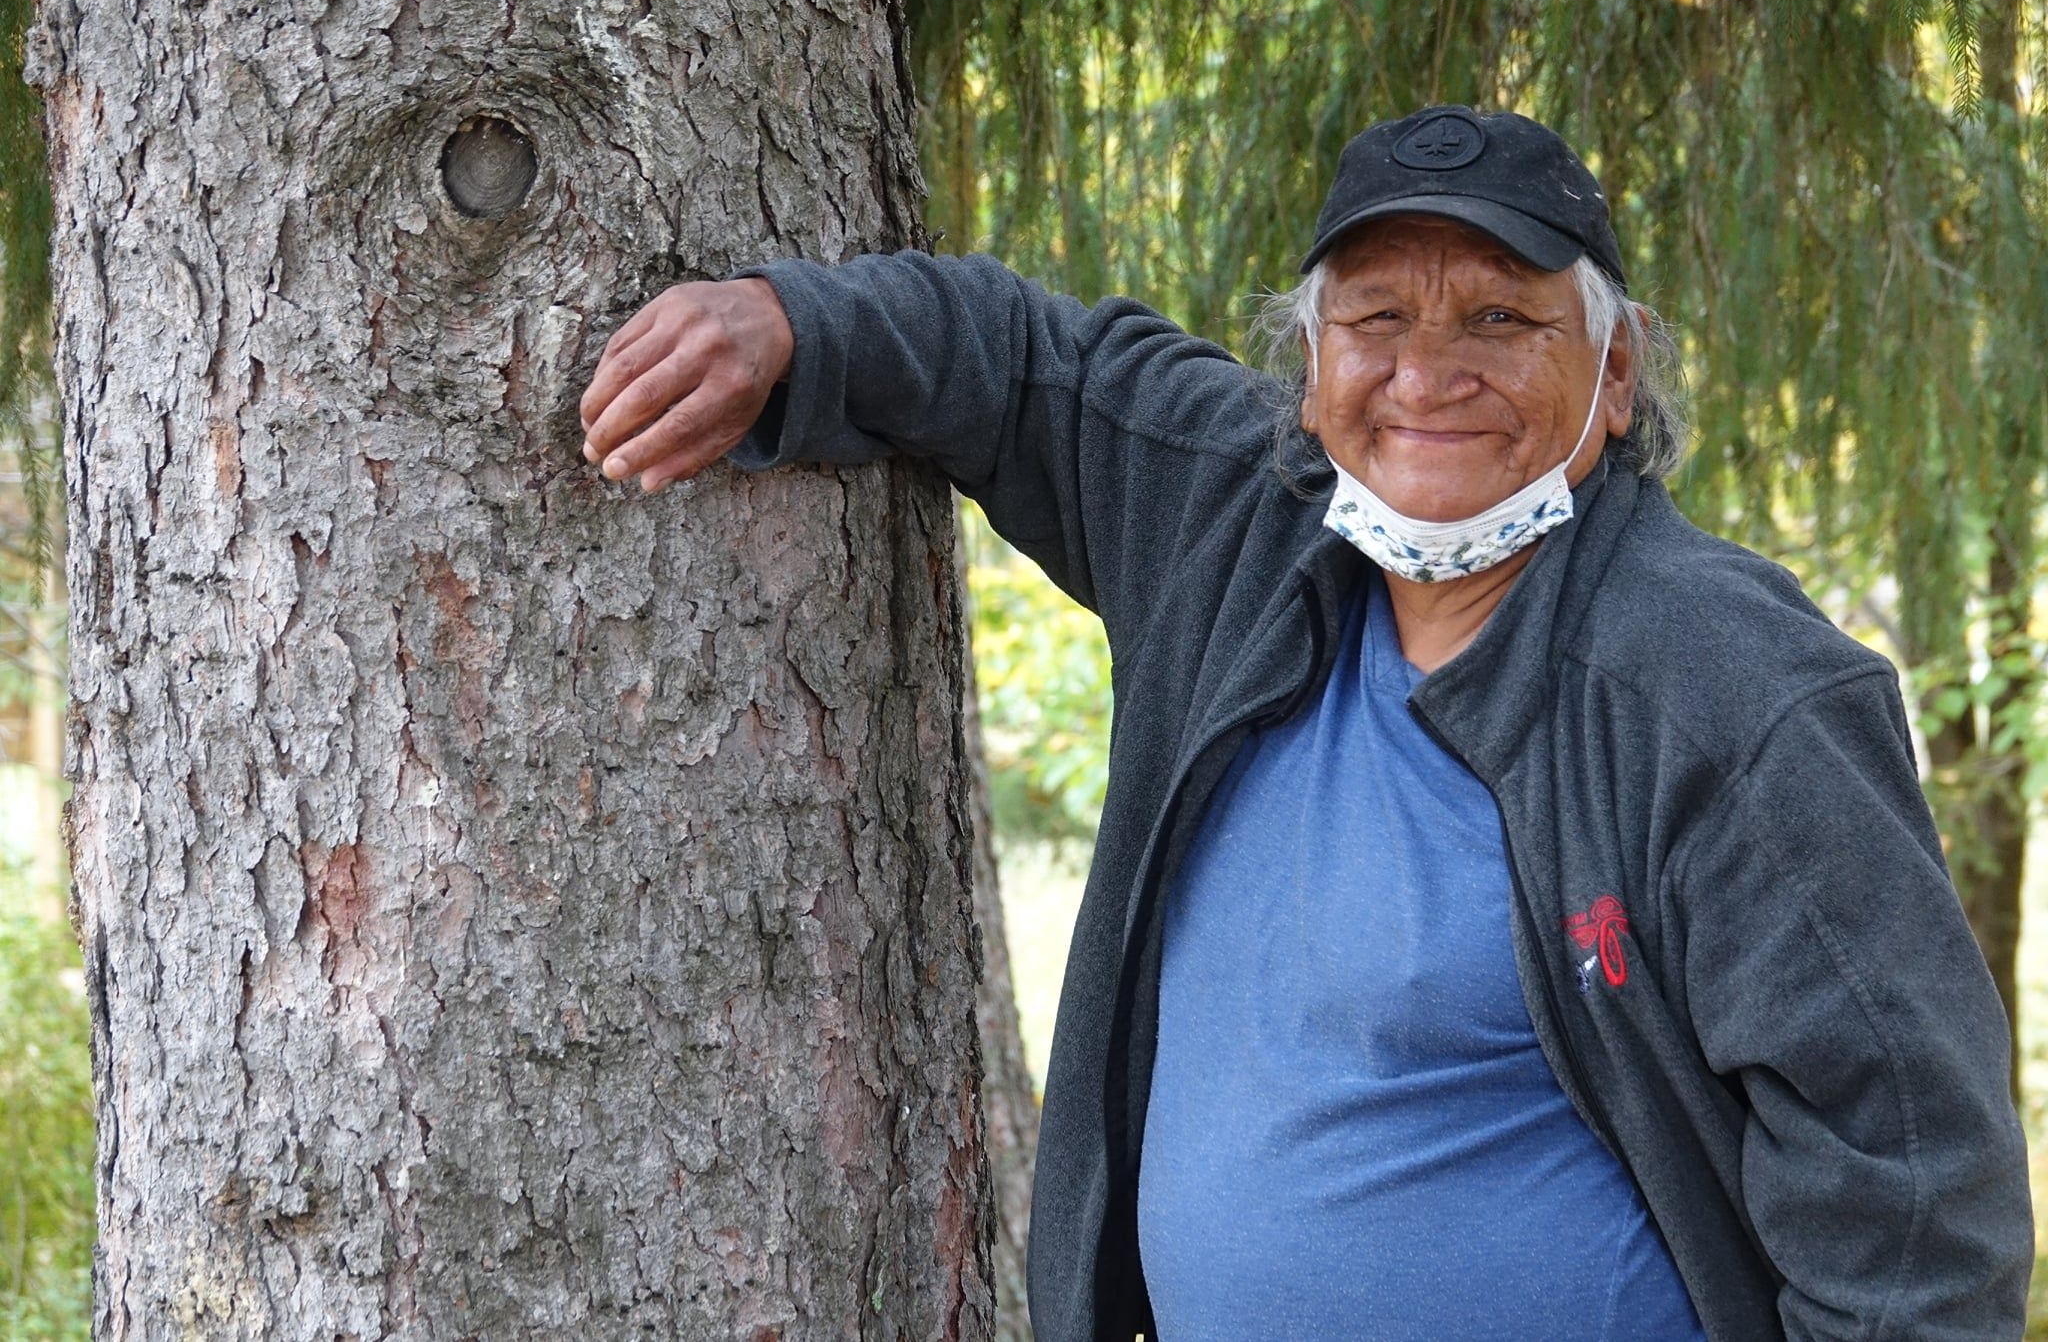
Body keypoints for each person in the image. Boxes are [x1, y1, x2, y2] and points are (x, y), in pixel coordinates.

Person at [577, 104, 2032, 1340]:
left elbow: (1914, 1195)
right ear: (1314, 361)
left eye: (1502, 319)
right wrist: (789, 323)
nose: (1427, 376)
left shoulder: (1732, 688)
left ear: (1615, 371)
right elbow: (1025, 366)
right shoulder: (1234, 520)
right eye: (1376, 319)